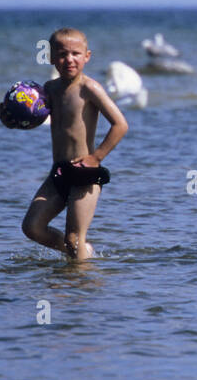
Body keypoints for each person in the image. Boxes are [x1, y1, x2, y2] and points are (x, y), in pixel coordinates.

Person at [10, 27, 128, 260]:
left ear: (87, 56)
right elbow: (36, 120)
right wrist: (12, 120)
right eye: (62, 54)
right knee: (32, 227)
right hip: (59, 173)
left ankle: (79, 282)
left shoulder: (89, 88)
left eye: (76, 54)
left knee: (74, 236)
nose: (69, 59)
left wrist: (96, 158)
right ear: (51, 58)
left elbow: (120, 125)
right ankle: (81, 255)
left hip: (85, 173)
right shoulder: (49, 89)